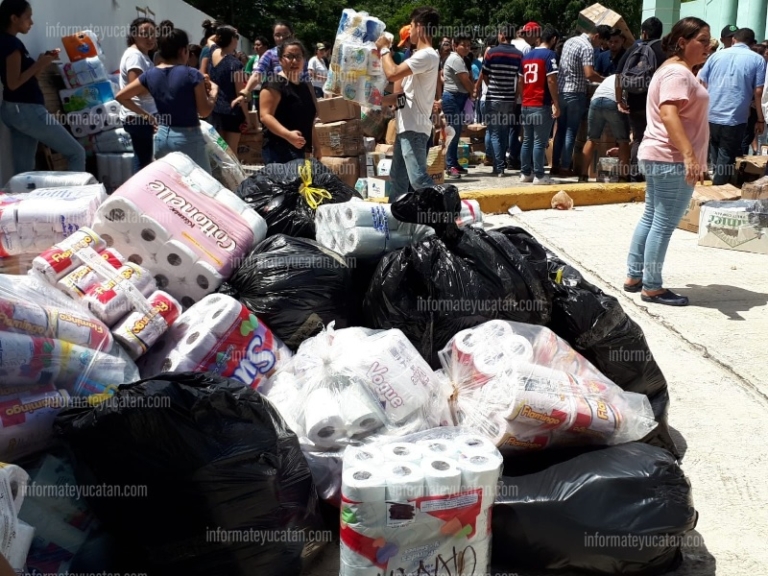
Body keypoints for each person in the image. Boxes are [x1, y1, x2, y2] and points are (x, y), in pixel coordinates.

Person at [625, 17, 711, 307]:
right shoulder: (677, 73)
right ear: (683, 42)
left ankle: (635, 276)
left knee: (651, 218)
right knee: (662, 223)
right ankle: (652, 286)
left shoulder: (675, 70)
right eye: (702, 39)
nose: (708, 46)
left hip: (658, 155)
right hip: (671, 158)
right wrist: (689, 155)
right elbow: (669, 114)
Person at [116, 27, 217, 173]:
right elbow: (204, 111)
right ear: (183, 51)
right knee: (202, 186)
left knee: (171, 185)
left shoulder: (150, 74)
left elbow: (121, 96)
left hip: (161, 137)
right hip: (187, 138)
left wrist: (147, 116)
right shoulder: (192, 74)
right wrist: (214, 92)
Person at [0, 0, 85, 175]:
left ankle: (18, 199)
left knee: (24, 171)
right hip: (27, 110)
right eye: (28, 17)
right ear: (14, 18)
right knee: (76, 153)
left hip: (17, 110)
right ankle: (78, 199)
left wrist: (41, 63)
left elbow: (26, 79)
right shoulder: (11, 45)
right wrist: (40, 63)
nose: (31, 22)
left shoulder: (9, 43)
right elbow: (13, 83)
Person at [376, 7, 440, 202]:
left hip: (414, 128)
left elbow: (392, 73)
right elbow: (402, 98)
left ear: (420, 27)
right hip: (406, 126)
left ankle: (445, 216)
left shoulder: (427, 55)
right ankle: (397, 221)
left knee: (419, 179)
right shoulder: (420, 58)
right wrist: (375, 99)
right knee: (398, 180)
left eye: (411, 25)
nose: (409, 31)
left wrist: (384, 48)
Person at [698, 27, 765, 185]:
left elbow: (702, 82)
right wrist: (760, 119)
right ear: (751, 43)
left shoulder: (715, 57)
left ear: (734, 39)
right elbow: (758, 91)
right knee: (726, 155)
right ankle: (718, 190)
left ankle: (718, 183)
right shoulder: (758, 60)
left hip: (711, 113)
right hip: (735, 117)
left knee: (716, 151)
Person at [551, 25, 610, 177]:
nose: (599, 46)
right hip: (576, 93)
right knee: (571, 131)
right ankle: (565, 167)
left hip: (562, 91)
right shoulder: (587, 47)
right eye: (600, 42)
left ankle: (555, 165)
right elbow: (589, 74)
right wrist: (605, 80)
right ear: (596, 36)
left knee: (560, 130)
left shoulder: (570, 41)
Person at [616, 17, 666, 182]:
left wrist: (619, 100)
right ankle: (653, 175)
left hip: (635, 102)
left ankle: (635, 174)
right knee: (657, 138)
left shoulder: (633, 49)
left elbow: (619, 76)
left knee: (638, 138)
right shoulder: (664, 51)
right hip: (658, 104)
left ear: (644, 33)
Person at [258, 39, 319, 165]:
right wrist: (288, 135)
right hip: (278, 151)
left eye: (298, 57)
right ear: (280, 60)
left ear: (304, 60)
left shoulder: (305, 86)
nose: (294, 61)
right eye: (289, 57)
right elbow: (265, 116)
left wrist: (316, 146)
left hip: (302, 151)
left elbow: (309, 120)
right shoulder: (274, 84)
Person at [478, 24, 524, 177]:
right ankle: (501, 165)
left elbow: (484, 73)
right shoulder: (518, 55)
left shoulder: (492, 52)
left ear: (502, 35)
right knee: (504, 133)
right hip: (509, 99)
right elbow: (520, 78)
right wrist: (516, 95)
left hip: (493, 98)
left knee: (495, 133)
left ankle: (499, 167)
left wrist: (491, 85)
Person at [518, 25, 560, 185]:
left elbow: (520, 82)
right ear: (554, 39)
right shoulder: (550, 55)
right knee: (539, 142)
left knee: (527, 140)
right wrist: (556, 103)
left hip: (526, 104)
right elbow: (551, 80)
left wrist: (524, 98)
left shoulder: (527, 56)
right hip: (541, 104)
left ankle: (525, 173)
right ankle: (539, 175)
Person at [119, 17, 157, 174]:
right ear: (134, 35)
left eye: (153, 33)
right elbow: (136, 87)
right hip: (140, 115)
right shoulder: (135, 56)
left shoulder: (143, 55)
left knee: (142, 159)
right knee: (144, 163)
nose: (150, 38)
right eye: (144, 33)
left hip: (140, 114)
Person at [579, 74, 630, 182]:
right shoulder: (630, 77)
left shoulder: (611, 77)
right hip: (613, 101)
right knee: (623, 141)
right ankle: (623, 177)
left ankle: (583, 176)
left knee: (591, 139)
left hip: (595, 101)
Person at [209, 25, 248, 150]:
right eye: (236, 36)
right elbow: (239, 92)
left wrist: (221, 31)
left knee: (221, 150)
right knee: (231, 150)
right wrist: (247, 117)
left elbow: (210, 39)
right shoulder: (235, 64)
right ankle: (232, 170)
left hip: (215, 108)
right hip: (232, 111)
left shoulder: (213, 52)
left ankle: (219, 170)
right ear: (232, 39)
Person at [442, 35, 475, 179]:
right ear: (455, 45)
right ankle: (450, 166)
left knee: (456, 132)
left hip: (458, 98)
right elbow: (465, 81)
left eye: (469, 45)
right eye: (464, 45)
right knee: (453, 133)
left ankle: (454, 163)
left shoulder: (461, 59)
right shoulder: (455, 59)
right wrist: (473, 92)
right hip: (453, 97)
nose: (467, 48)